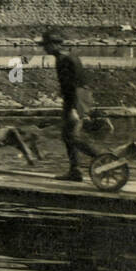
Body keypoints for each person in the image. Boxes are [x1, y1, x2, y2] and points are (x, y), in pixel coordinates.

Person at [40, 29, 101, 182]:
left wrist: (73, 108)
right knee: (68, 136)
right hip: (78, 97)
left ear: (55, 44)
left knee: (71, 136)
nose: (44, 48)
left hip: (76, 99)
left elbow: (72, 85)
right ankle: (75, 170)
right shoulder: (68, 56)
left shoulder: (63, 60)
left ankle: (101, 158)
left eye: (46, 45)